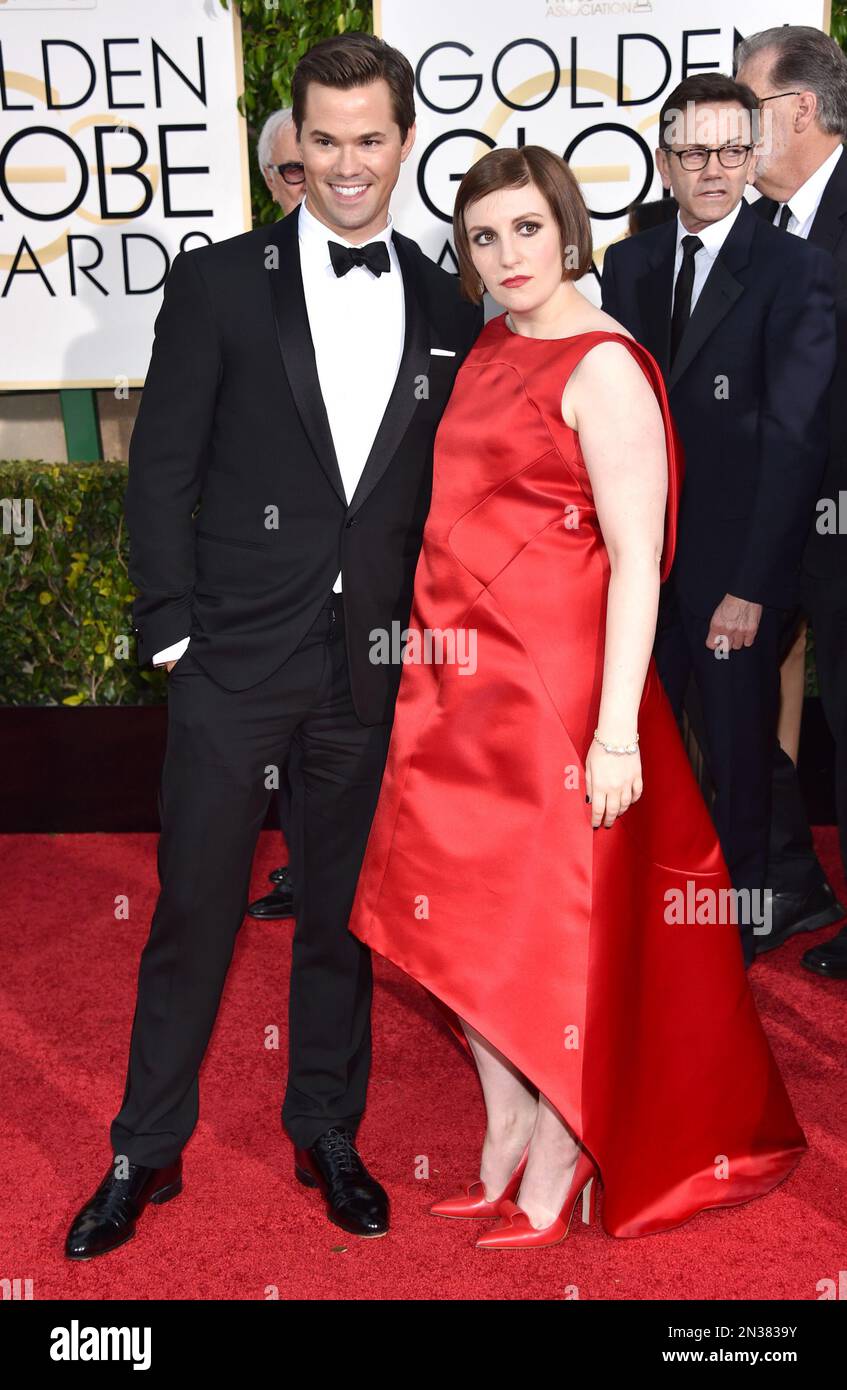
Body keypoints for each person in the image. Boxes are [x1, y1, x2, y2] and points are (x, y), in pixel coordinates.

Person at [64, 32, 483, 1260]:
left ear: (402, 144)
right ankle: (146, 1147)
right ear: (290, 145)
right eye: (324, 140)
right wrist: (173, 636)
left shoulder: (445, 298)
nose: (346, 164)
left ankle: (326, 1128)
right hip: (232, 666)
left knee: (343, 920)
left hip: (370, 672)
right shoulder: (216, 283)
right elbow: (162, 472)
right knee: (193, 909)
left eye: (370, 139)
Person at [347, 144, 807, 1246]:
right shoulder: (492, 345)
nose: (506, 254)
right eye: (484, 235)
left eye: (526, 229)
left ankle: (561, 1146)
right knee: (460, 926)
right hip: (461, 698)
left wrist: (613, 735)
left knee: (549, 938)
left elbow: (638, 558)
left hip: (562, 702)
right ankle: (505, 1121)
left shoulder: (604, 364)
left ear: (568, 232)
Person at [601, 72, 838, 968]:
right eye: (694, 151)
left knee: (739, 764)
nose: (714, 168)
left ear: (754, 155)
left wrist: (752, 588)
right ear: (664, 162)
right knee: (643, 743)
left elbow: (796, 443)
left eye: (733, 150)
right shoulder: (629, 262)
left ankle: (733, 939)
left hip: (733, 573)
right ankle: (652, 903)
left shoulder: (797, 272)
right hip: (640, 567)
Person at [736, 25, 847, 977]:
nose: (731, 132)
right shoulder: (755, 226)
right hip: (768, 522)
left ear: (799, 110)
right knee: (724, 690)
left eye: (748, 109)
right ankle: (785, 878)